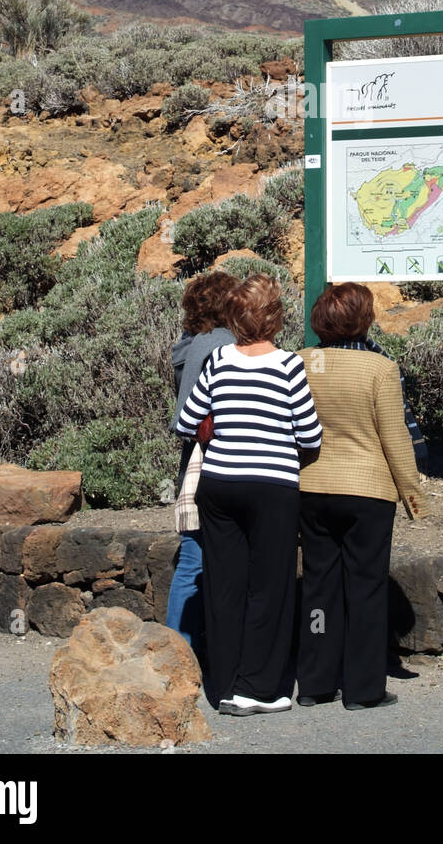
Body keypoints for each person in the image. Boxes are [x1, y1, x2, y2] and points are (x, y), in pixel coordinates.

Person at [177, 273, 322, 716]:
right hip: (272, 486)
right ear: (275, 319)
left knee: (223, 582)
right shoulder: (288, 365)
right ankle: (259, 688)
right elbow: (310, 435)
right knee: (270, 585)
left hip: (219, 484)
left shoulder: (219, 359)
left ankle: (222, 682)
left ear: (234, 319)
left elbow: (187, 422)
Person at [297, 282, 426, 711]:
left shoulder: (300, 363)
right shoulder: (379, 368)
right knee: (366, 587)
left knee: (319, 586)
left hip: (311, 487)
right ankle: (364, 688)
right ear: (363, 319)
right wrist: (413, 495)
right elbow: (396, 439)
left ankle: (315, 682)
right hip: (367, 490)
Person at [165, 272, 238, 648]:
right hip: (212, 461)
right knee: (196, 558)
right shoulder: (215, 345)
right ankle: (178, 647)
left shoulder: (189, 345)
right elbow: (190, 418)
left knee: (196, 556)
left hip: (196, 462)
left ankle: (183, 644)